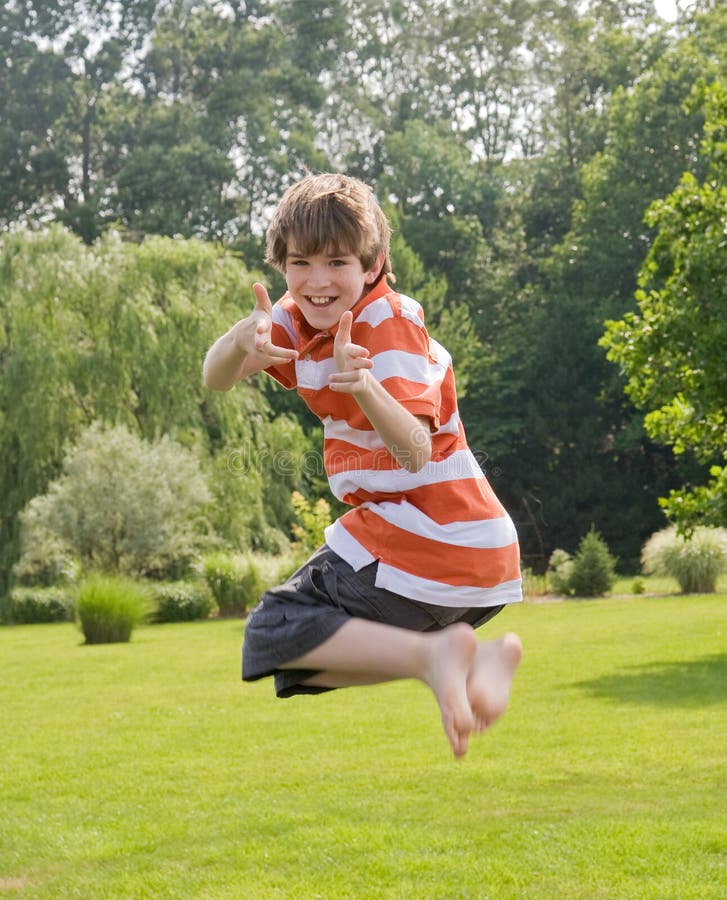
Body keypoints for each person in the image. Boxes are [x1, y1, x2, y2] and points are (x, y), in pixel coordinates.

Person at [203, 172, 523, 757]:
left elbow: (415, 452)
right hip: (459, 554)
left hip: (433, 531)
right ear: (280, 264)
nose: (318, 282)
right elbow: (215, 378)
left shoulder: (388, 323)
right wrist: (238, 340)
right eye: (300, 263)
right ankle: (474, 663)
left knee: (275, 627)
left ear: (372, 262)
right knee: (292, 664)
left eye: (338, 263)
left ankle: (436, 656)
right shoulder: (295, 319)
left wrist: (367, 387)